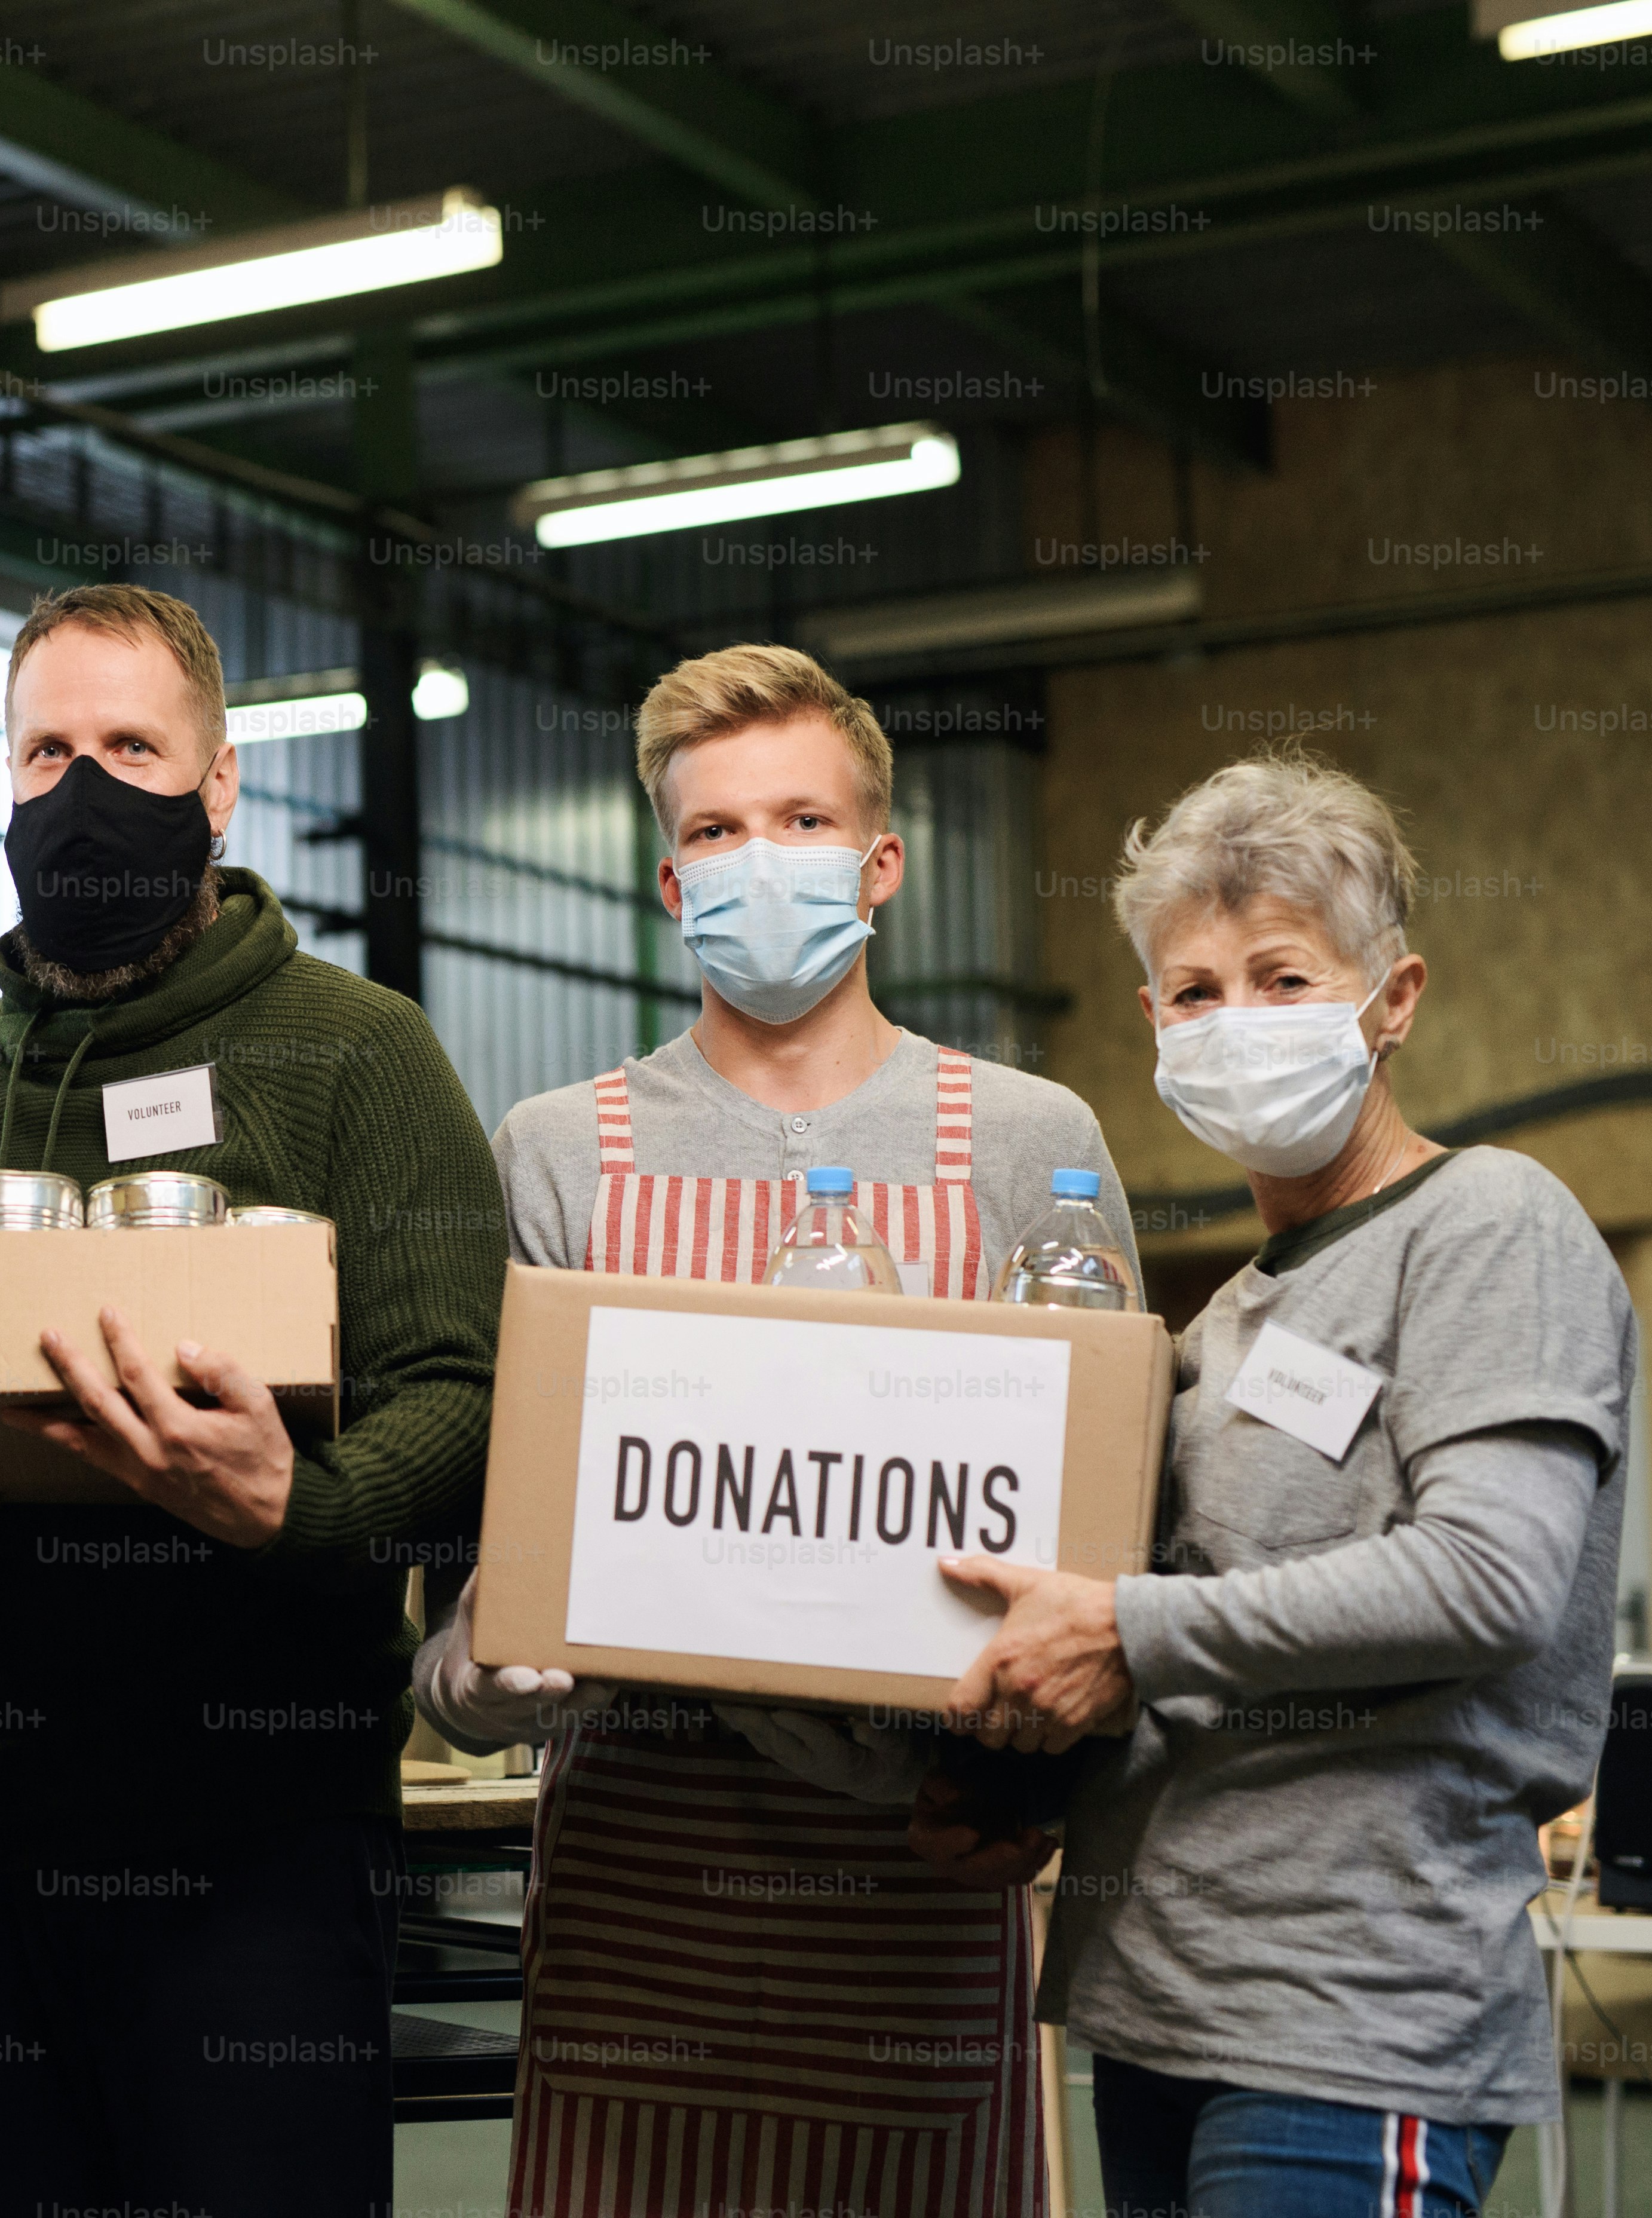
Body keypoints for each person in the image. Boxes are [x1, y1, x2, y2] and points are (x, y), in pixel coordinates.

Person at [415, 642, 1140, 2216]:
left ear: (880, 863)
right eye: (718, 831)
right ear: (671, 886)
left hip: (918, 1905)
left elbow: (1115, 1568)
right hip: (638, 1909)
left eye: (803, 823)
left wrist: (1027, 1793)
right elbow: (466, 1620)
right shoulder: (560, 1153)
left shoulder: (1030, 1143)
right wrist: (489, 1667)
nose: (761, 861)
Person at [0, 583, 507, 2217]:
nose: (82, 791)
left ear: (220, 783)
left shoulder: (359, 1054)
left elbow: (465, 1391)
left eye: (130, 747)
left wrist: (305, 1503)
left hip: (257, 1848)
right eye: (44, 752)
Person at [951, 750, 1633, 2217]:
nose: (1237, 1022)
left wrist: (1119, 1628)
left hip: (1353, 2014)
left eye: (1284, 978)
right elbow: (1200, 1640)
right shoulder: (1221, 1327)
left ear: (1393, 998)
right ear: (1151, 1022)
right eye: (1195, 991)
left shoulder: (1491, 1225)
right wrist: (1024, 1769)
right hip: (1156, 2000)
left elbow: (1489, 1577)